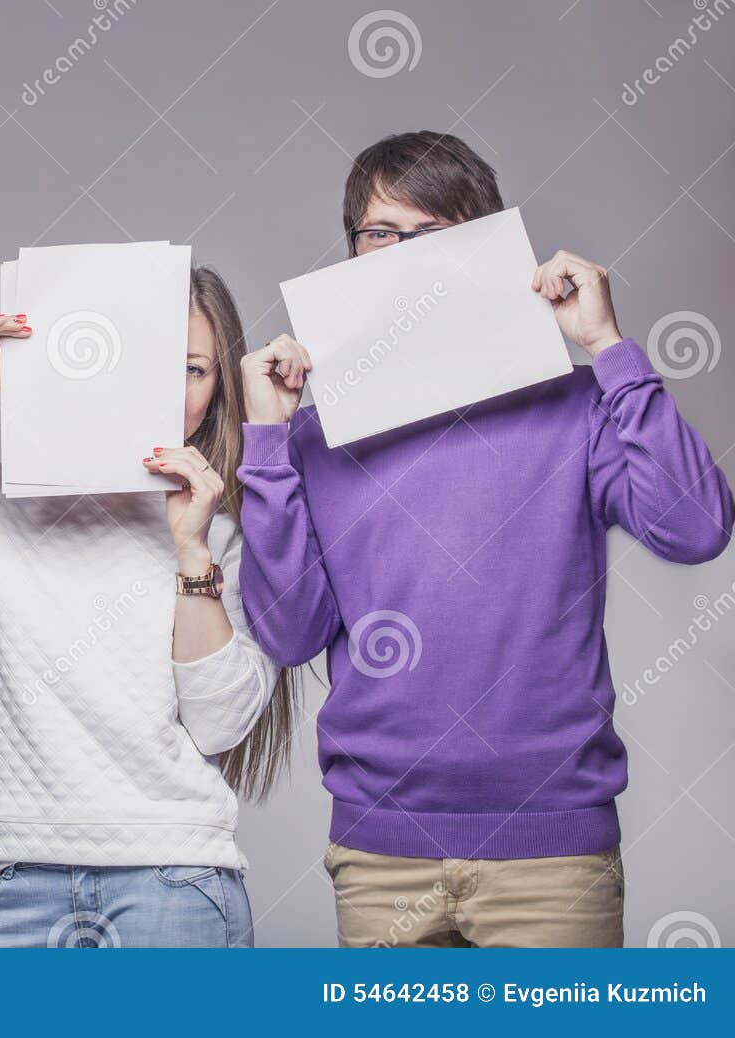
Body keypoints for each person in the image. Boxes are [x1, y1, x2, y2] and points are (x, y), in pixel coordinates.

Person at [236, 131, 734, 948]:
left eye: (433, 235)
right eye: (380, 234)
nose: (401, 256)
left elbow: (698, 528)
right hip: (380, 851)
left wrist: (609, 349)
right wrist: (265, 441)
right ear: (353, 252)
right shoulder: (312, 439)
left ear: (488, 244)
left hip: (554, 852)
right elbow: (289, 635)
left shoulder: (575, 408)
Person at [0, 268, 297, 948]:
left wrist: (190, 548)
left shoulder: (225, 525)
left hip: (176, 878)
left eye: (194, 370)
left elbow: (222, 723)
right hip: (15, 880)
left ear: (218, 387)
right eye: (151, 362)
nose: (170, 393)